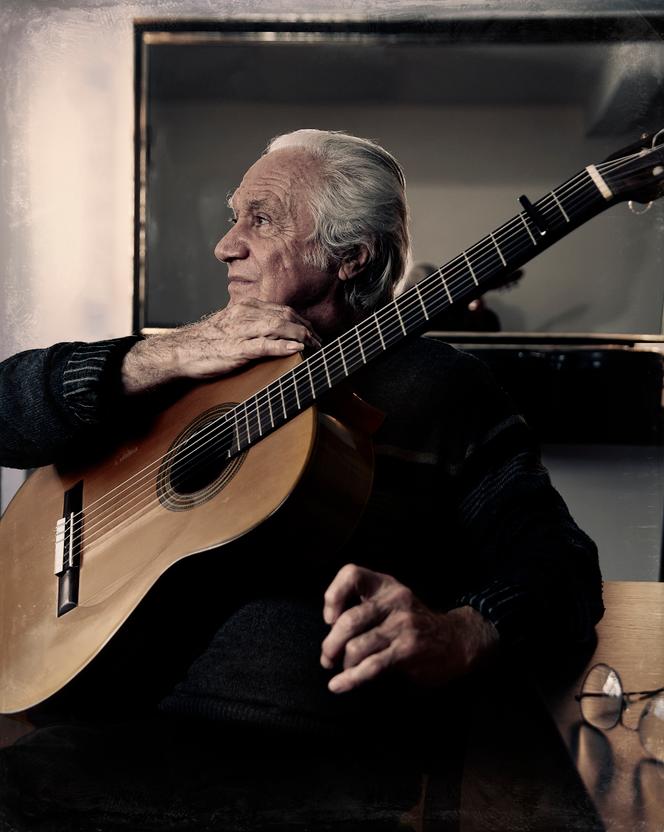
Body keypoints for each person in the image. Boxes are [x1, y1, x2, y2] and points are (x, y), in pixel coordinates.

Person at [0, 129, 604, 738]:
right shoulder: (194, 356)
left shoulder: (446, 387)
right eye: (234, 217)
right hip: (85, 727)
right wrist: (159, 356)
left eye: (261, 221)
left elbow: (561, 567)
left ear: (351, 257)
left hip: (307, 764)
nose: (223, 246)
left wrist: (461, 632)